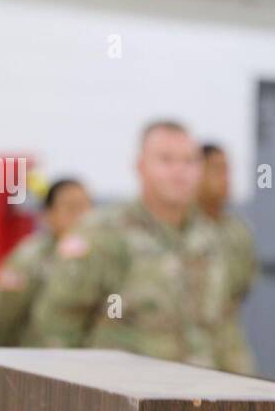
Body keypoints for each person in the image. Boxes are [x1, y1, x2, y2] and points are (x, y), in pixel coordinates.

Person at [27, 121, 225, 365]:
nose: (180, 171)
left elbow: (222, 328)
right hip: (123, 391)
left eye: (189, 161)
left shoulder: (211, 238)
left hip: (198, 392)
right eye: (166, 160)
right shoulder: (103, 234)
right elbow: (57, 328)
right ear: (140, 167)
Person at [0, 178, 91, 346]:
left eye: (84, 207)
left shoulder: (106, 258)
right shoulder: (29, 259)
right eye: (70, 208)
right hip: (41, 358)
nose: (80, 216)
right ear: (49, 215)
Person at [197, 143, 258, 374]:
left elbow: (242, 288)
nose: (225, 178)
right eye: (216, 169)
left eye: (227, 170)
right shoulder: (178, 231)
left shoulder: (239, 232)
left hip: (229, 349)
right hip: (182, 354)